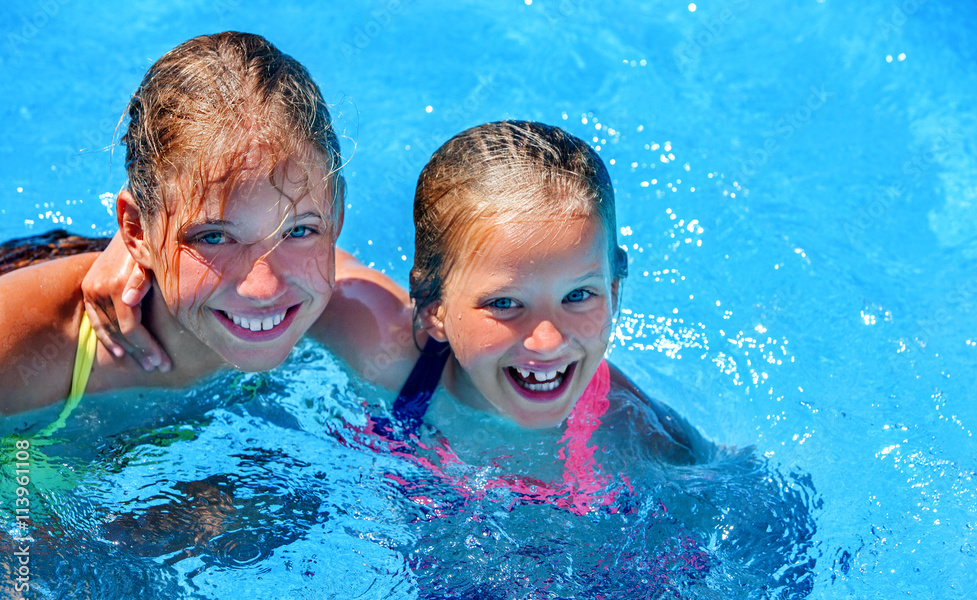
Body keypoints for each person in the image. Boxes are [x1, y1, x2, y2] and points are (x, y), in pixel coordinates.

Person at [84, 120, 708, 466]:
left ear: (617, 292)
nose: (547, 340)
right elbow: (271, 265)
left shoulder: (637, 430)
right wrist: (132, 249)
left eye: (580, 295)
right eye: (504, 304)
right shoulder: (387, 346)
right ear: (433, 311)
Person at [0, 31, 345, 419]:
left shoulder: (349, 315)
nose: (264, 290)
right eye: (213, 237)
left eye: (296, 231)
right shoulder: (24, 350)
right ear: (134, 231)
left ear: (336, 221)